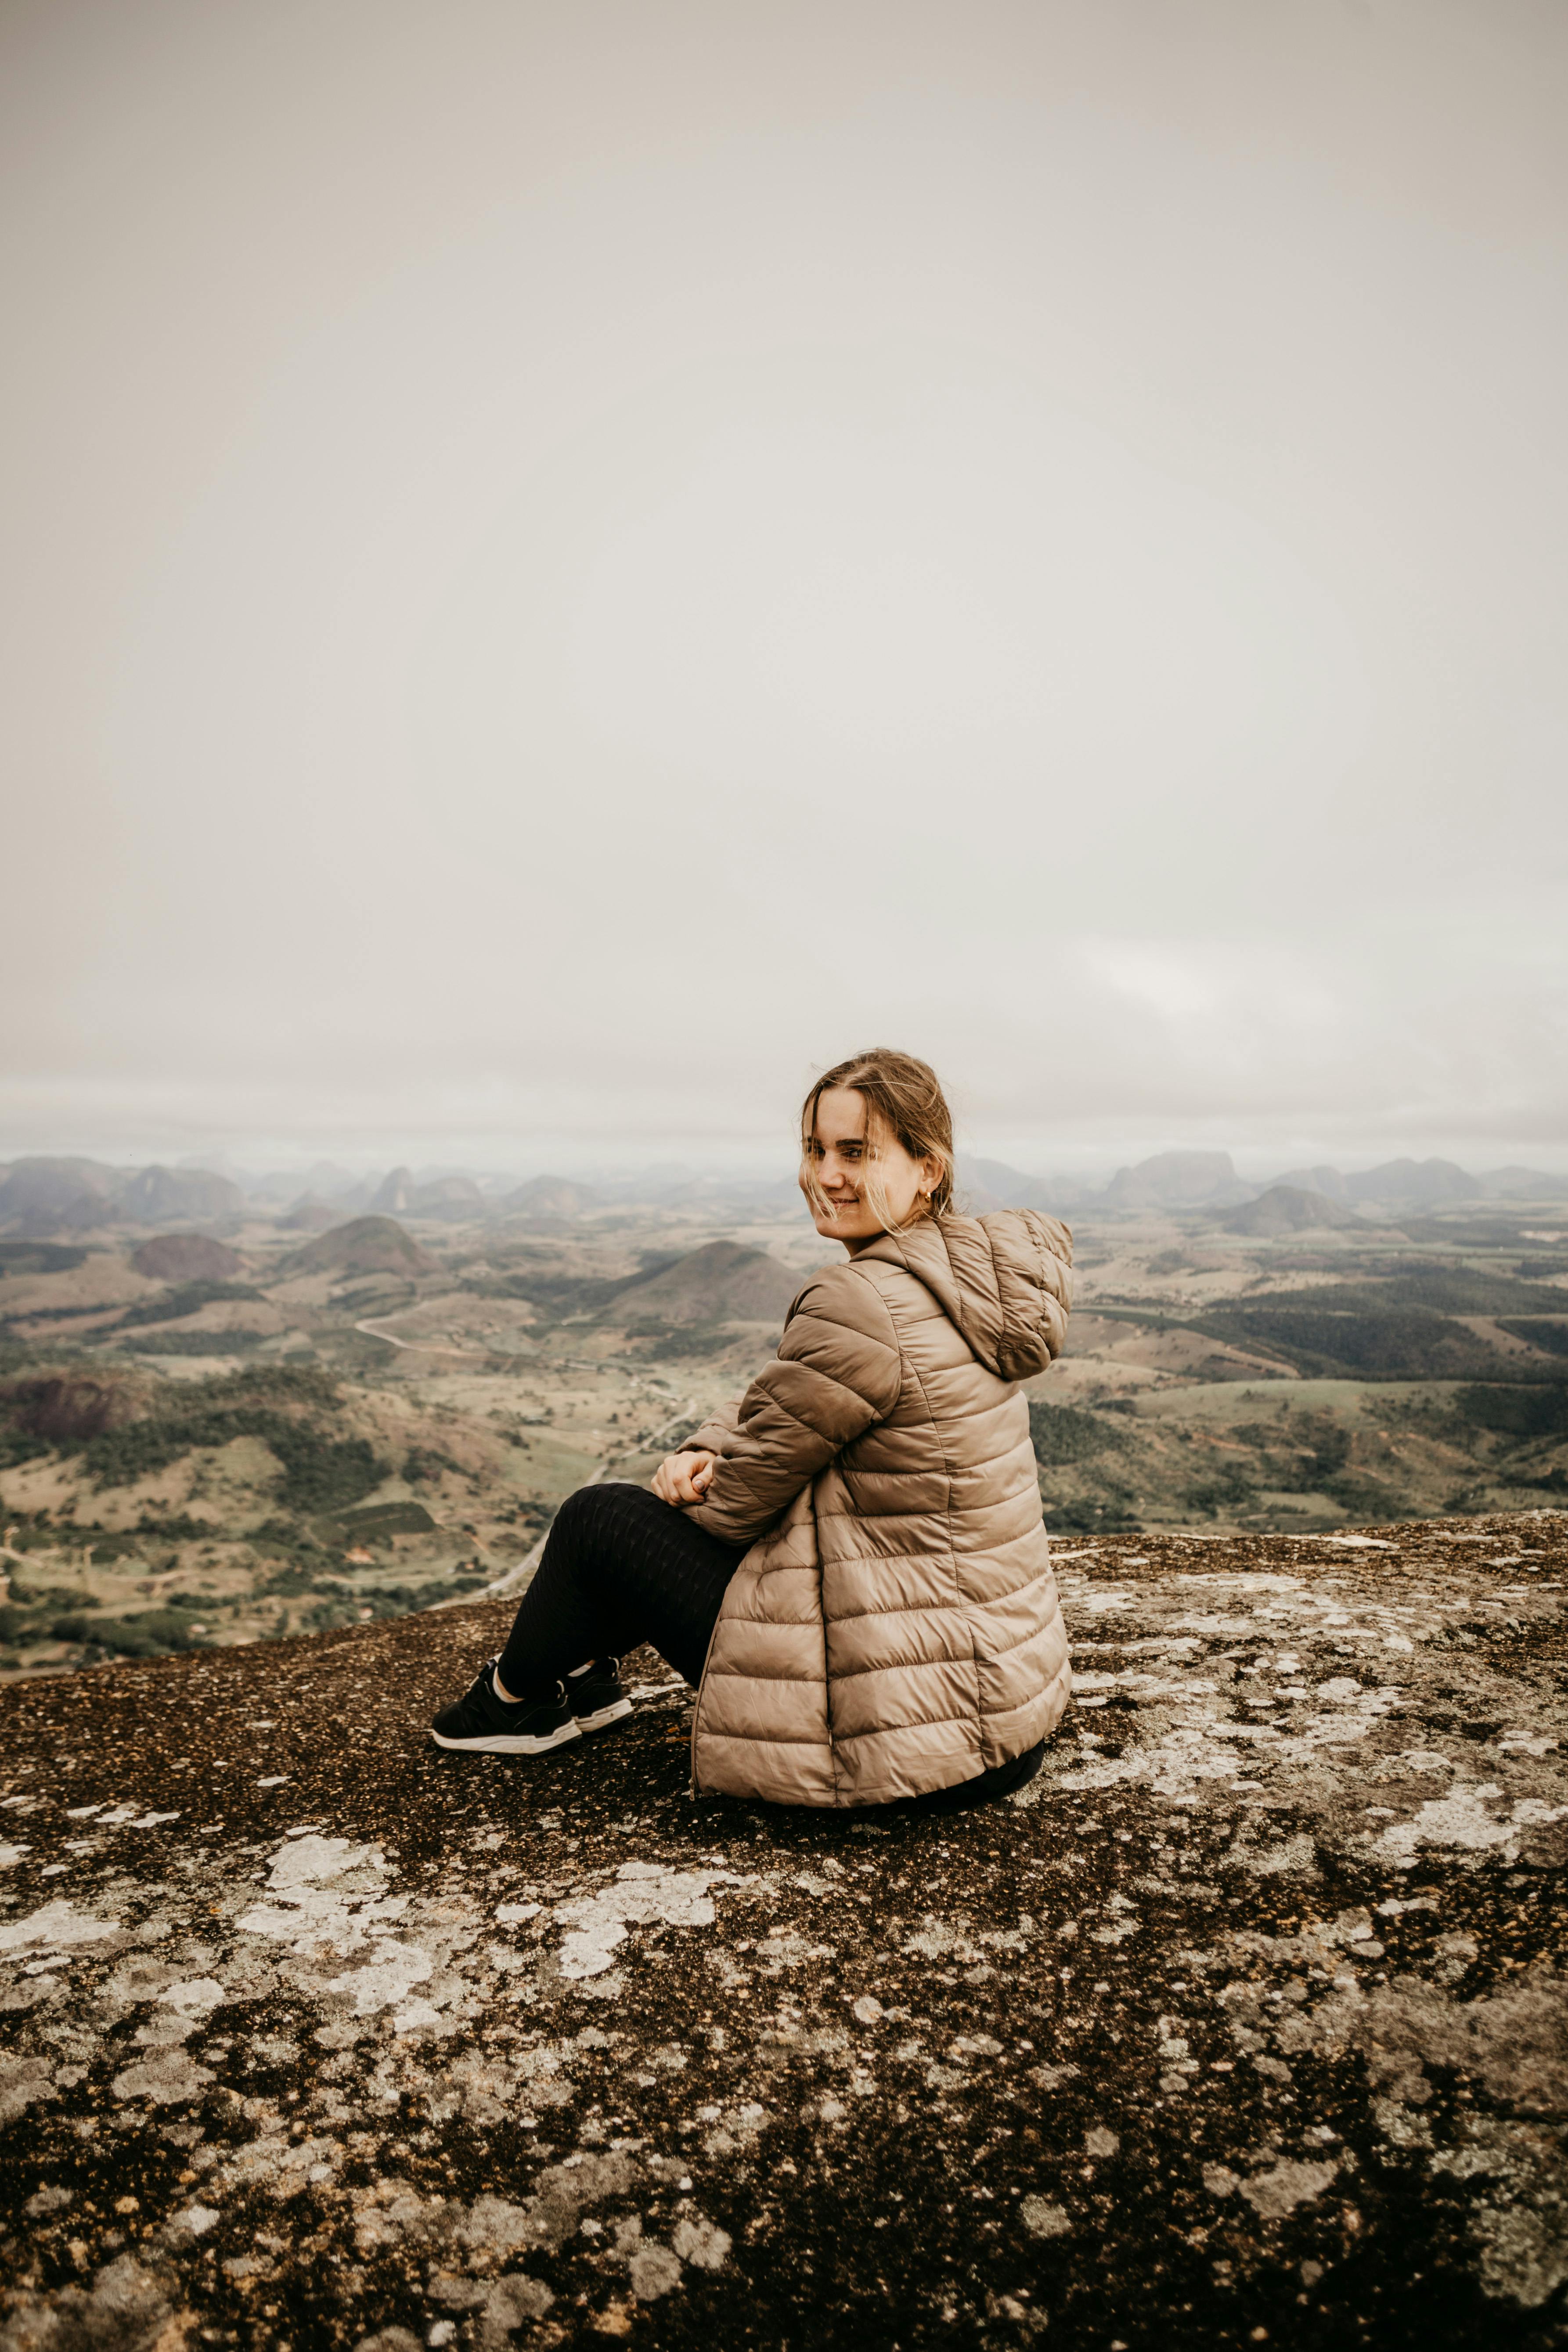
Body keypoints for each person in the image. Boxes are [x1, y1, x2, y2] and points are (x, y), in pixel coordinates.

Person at [431, 1048, 1074, 1811]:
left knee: (599, 1520)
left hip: (898, 1736)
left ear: (927, 1169)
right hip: (998, 1721)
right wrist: (708, 1443)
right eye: (815, 1149)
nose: (826, 1174)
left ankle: (513, 1698)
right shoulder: (963, 1281)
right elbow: (793, 1402)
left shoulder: (859, 1301)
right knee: (633, 1526)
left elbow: (735, 1509)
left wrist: (692, 1478)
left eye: (856, 1152)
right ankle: (587, 1681)